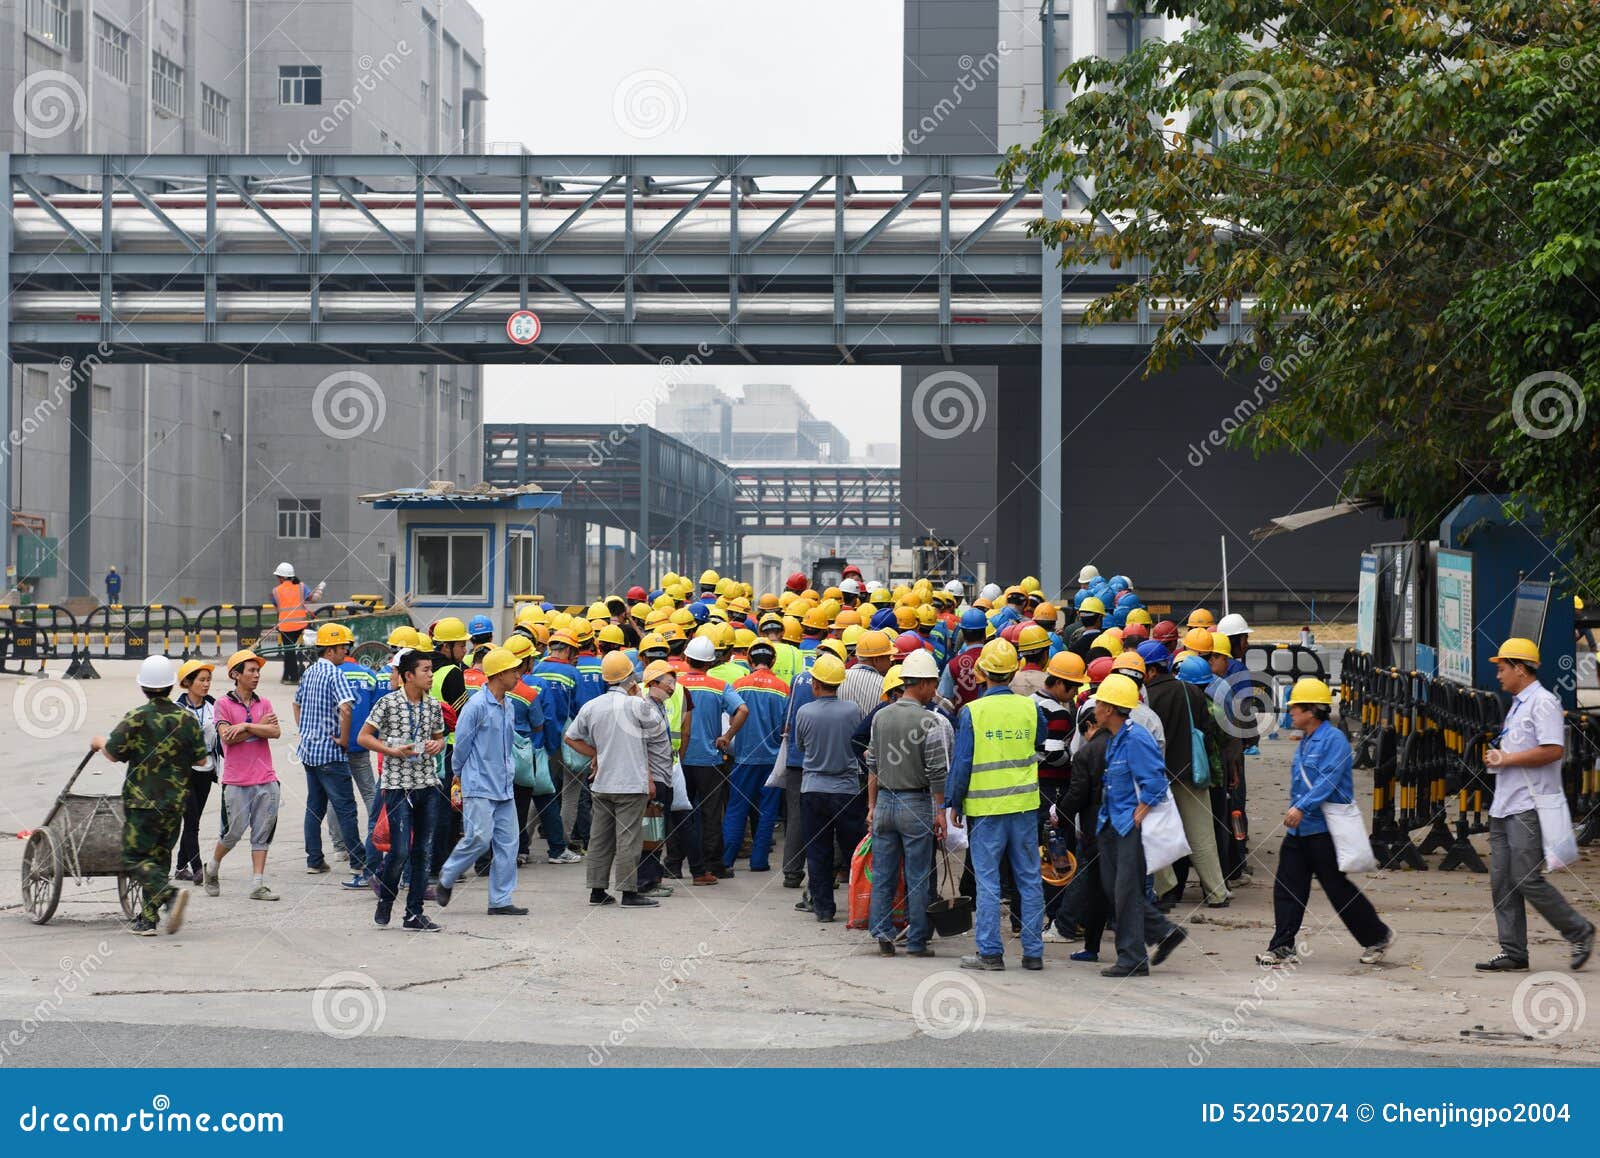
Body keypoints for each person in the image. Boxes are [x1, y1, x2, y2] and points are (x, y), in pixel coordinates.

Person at [1257, 678, 1395, 966]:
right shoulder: (1307, 739)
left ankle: (1377, 936)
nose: (1291, 711)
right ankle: (1282, 944)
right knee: (1288, 886)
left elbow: (1327, 781)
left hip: (1322, 829)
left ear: (1312, 710)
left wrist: (1301, 807)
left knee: (1337, 888)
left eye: (1296, 706)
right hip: (1300, 830)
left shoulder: (1333, 741)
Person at [1475, 639, 1594, 972]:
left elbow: (1553, 750)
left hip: (1528, 806)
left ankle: (1578, 930)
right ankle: (1513, 951)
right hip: (1504, 804)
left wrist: (1508, 758)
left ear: (1520, 669)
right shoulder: (1518, 704)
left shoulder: (1543, 703)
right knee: (1502, 881)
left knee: (1526, 879)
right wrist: (1500, 759)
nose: (1498, 676)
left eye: (1501, 669)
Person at [946, 639, 1047, 972]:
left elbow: (962, 763)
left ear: (981, 673)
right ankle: (1033, 952)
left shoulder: (972, 712)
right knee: (1030, 879)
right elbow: (1039, 741)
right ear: (1014, 670)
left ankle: (990, 953)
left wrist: (954, 802)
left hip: (986, 811)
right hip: (1023, 808)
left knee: (988, 882)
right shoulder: (1031, 707)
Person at [90, 655, 206, 936]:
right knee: (159, 859)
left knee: (133, 857)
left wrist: (98, 742)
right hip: (175, 803)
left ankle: (170, 896)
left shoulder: (137, 717)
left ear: (143, 686)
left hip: (142, 804)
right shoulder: (187, 719)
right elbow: (202, 761)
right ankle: (148, 919)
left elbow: (112, 753)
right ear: (170, 686)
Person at [1093, 673, 1186, 977]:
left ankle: (1132, 957)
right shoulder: (1116, 738)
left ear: (1109, 709)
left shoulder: (1136, 738)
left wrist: (1141, 811)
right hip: (1111, 823)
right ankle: (1164, 931)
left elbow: (1156, 782)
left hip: (1129, 828)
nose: (1095, 707)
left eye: (1099, 702)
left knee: (1126, 892)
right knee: (1114, 889)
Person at [565, 651, 674, 908]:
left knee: (600, 838)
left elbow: (571, 737)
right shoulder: (637, 706)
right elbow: (658, 736)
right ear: (630, 679)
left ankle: (597, 890)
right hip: (630, 783)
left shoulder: (591, 706)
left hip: (602, 783)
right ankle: (628, 892)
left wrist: (597, 754)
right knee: (628, 838)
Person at [864, 648, 950, 958]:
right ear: (924, 683)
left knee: (884, 873)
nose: (935, 691)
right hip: (916, 802)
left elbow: (872, 763)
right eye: (933, 684)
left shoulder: (880, 716)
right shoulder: (931, 722)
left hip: (885, 801)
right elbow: (937, 770)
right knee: (917, 875)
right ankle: (916, 940)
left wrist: (872, 806)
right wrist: (940, 811)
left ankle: (883, 931)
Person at [435, 647, 527, 917]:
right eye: (513, 670)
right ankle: (447, 875)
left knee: (509, 844)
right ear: (498, 674)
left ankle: (500, 900)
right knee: (479, 837)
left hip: (503, 785)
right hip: (478, 783)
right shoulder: (476, 706)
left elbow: (507, 745)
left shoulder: (508, 705)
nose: (517, 674)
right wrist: (459, 776)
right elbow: (461, 745)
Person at [361, 648, 448, 931]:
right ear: (408, 676)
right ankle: (386, 899)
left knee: (422, 851)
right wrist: (390, 750)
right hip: (398, 787)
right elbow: (364, 737)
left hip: (428, 785)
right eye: (425, 671)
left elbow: (439, 738)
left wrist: (439, 745)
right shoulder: (387, 703)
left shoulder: (433, 705)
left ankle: (414, 913)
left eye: (431, 670)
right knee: (399, 851)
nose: (431, 675)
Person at [1143, 640, 1230, 909]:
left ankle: (1165, 890)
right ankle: (1217, 893)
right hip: (1192, 772)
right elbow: (1208, 732)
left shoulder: (1146, 697)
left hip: (1158, 775)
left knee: (1157, 835)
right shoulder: (1192, 691)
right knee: (1202, 836)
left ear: (1151, 670)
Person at [203, 650, 283, 902]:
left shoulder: (264, 703)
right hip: (236, 781)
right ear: (236, 675)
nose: (256, 675)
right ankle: (213, 867)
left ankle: (258, 884)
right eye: (251, 670)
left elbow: (275, 731)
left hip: (266, 778)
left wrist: (248, 726)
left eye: (258, 671)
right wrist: (260, 728)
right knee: (232, 833)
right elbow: (227, 736)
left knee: (262, 833)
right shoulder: (222, 704)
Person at [792, 654, 864, 923]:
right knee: (853, 851)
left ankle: (823, 907)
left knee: (818, 850)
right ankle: (861, 903)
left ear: (815, 684)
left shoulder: (804, 712)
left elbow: (800, 746)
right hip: (846, 789)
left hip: (813, 789)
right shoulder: (852, 710)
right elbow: (858, 743)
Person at [294, 622, 367, 887]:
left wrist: (305, 730)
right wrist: (344, 739)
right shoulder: (335, 674)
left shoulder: (310, 671)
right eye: (343, 648)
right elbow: (346, 709)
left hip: (310, 751)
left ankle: (314, 860)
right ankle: (359, 861)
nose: (345, 652)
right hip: (330, 753)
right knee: (346, 808)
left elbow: (296, 702)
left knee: (315, 807)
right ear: (332, 650)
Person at [678, 635, 748, 879]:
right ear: (710, 663)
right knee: (711, 813)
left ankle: (674, 862)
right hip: (710, 760)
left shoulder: (675, 684)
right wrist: (727, 735)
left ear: (687, 658)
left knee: (679, 812)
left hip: (680, 758)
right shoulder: (719, 686)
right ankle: (712, 864)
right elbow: (742, 710)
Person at [721, 641, 790, 873]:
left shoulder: (738, 685)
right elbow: (785, 726)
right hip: (772, 760)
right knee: (768, 811)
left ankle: (727, 860)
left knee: (736, 808)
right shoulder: (783, 688)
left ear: (750, 661)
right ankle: (759, 861)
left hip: (743, 758)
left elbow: (732, 720)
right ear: (772, 662)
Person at [172, 660, 222, 883]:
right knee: (192, 821)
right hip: (184, 772)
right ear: (187, 683)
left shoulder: (214, 707)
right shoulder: (176, 710)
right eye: (201, 680)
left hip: (207, 769)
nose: (206, 684)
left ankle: (181, 867)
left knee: (194, 819)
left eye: (208, 680)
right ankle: (197, 867)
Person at [270, 561, 315, 684]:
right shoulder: (301, 586)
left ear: (283, 577)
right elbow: (311, 598)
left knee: (289, 651)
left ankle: (293, 678)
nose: (278, 579)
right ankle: (287, 676)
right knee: (311, 647)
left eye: (278, 577)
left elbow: (276, 606)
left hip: (286, 626)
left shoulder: (276, 591)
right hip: (302, 623)